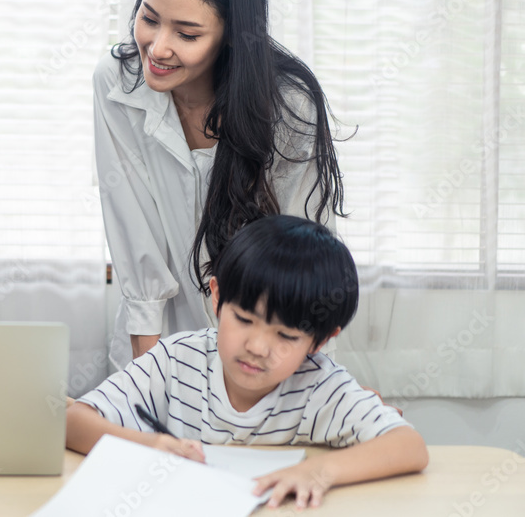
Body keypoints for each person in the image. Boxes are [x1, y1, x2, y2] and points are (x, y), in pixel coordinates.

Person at [95, 0, 345, 370]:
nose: (157, 47)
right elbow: (135, 238)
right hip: (155, 343)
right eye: (149, 18)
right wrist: (150, 386)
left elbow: (301, 258)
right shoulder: (119, 81)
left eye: (187, 34)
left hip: (266, 346)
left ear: (231, 36)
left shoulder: (288, 107)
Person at [66, 215, 428, 510]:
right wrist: (153, 448)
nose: (257, 347)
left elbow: (409, 447)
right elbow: (73, 421)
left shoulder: (320, 387)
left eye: (286, 337)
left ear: (319, 341)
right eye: (243, 320)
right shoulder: (175, 361)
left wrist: (320, 471)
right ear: (217, 298)